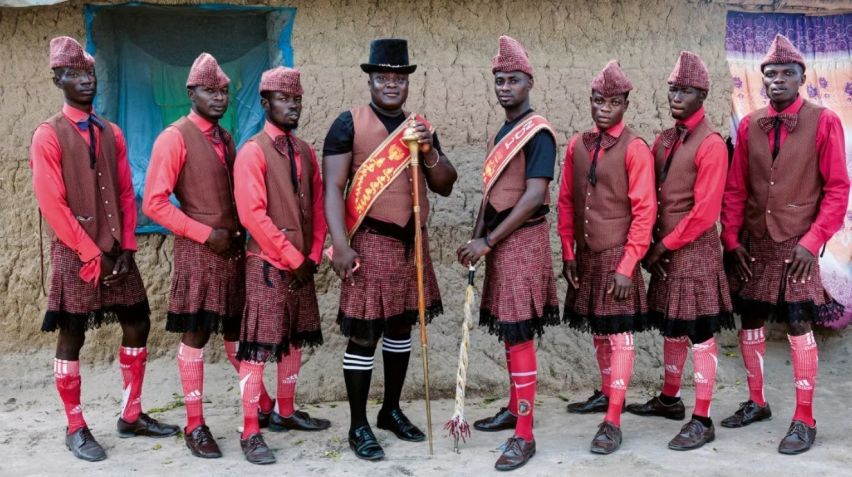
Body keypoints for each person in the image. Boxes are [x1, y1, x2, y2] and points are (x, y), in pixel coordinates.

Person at [30, 36, 178, 462]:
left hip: (118, 250)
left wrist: (127, 245)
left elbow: (126, 196)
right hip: (76, 254)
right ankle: (75, 426)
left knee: (138, 322)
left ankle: (131, 414)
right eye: (74, 74)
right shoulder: (48, 135)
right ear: (58, 79)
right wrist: (92, 253)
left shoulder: (110, 132)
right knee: (72, 334)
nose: (85, 81)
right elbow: (52, 204)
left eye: (89, 73)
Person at [322, 38, 457, 460]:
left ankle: (391, 410)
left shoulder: (419, 126)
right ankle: (359, 425)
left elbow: (446, 184)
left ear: (407, 82)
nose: (391, 85)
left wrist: (430, 148)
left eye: (399, 78)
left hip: (411, 244)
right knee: (364, 335)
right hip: (370, 240)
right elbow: (332, 187)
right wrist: (340, 245)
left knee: (400, 330)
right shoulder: (349, 122)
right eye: (383, 77)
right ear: (371, 79)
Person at [720, 33, 849, 455]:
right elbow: (736, 189)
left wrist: (813, 243)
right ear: (762, 80)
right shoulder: (749, 124)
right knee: (752, 319)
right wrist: (731, 237)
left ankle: (804, 417)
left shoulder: (823, 120)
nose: (777, 81)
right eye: (770, 74)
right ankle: (757, 402)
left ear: (802, 78)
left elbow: (837, 190)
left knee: (797, 322)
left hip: (798, 245)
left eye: (786, 74)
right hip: (756, 242)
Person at [457, 35, 559, 471]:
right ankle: (515, 408)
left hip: (522, 244)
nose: (504, 86)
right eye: (498, 79)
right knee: (509, 332)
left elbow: (534, 195)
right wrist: (477, 237)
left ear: (529, 82)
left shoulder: (539, 133)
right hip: (501, 243)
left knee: (519, 334)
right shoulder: (504, 130)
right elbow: (492, 194)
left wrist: (490, 240)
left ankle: (525, 433)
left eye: (513, 80)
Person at [142, 52, 248, 459]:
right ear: (191, 93)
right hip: (199, 252)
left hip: (232, 251)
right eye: (209, 90)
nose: (218, 97)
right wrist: (206, 234)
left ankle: (256, 406)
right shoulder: (175, 137)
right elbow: (154, 203)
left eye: (223, 90)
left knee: (237, 331)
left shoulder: (225, 138)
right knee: (197, 334)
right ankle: (194, 424)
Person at [626, 51, 732, 451]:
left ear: (702, 94)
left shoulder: (712, 144)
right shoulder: (664, 139)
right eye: (673, 88)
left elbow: (705, 213)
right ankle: (670, 399)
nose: (677, 95)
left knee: (700, 333)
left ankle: (703, 419)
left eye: (686, 90)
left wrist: (660, 247)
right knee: (673, 324)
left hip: (696, 252)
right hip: (666, 249)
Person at [232, 66, 330, 465]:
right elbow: (252, 215)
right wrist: (292, 258)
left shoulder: (305, 151)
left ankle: (285, 412)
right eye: (284, 99)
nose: (293, 105)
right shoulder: (252, 151)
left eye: (297, 99)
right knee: (258, 347)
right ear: (265, 102)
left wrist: (313, 252)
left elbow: (320, 207)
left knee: (293, 338)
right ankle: (250, 429)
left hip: (301, 264)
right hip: (267, 265)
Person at [559, 60, 656, 454]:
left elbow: (645, 211)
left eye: (613, 102)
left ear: (626, 104)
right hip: (587, 254)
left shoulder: (635, 149)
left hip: (618, 255)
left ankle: (613, 419)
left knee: (620, 336)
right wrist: (568, 251)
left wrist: (628, 266)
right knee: (599, 330)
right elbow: (566, 200)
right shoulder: (576, 145)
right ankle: (603, 393)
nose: (603, 108)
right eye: (598, 100)